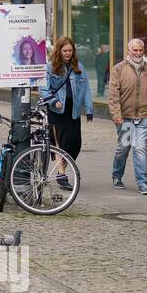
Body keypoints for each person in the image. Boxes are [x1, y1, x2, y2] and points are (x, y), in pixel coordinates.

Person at [107, 37, 147, 195]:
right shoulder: (119, 69)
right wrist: (116, 114)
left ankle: (142, 183)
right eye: (135, 50)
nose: (138, 53)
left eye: (140, 50)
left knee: (140, 148)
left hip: (144, 116)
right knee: (124, 147)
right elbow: (113, 95)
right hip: (125, 117)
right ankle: (117, 176)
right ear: (128, 51)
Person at [44, 37, 94, 189]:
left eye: (70, 51)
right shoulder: (50, 67)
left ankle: (62, 169)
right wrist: (52, 100)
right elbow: (44, 89)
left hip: (73, 111)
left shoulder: (79, 67)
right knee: (61, 143)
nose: (68, 53)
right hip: (57, 110)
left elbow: (85, 89)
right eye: (65, 51)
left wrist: (89, 109)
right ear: (59, 51)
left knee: (74, 144)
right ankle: (61, 174)